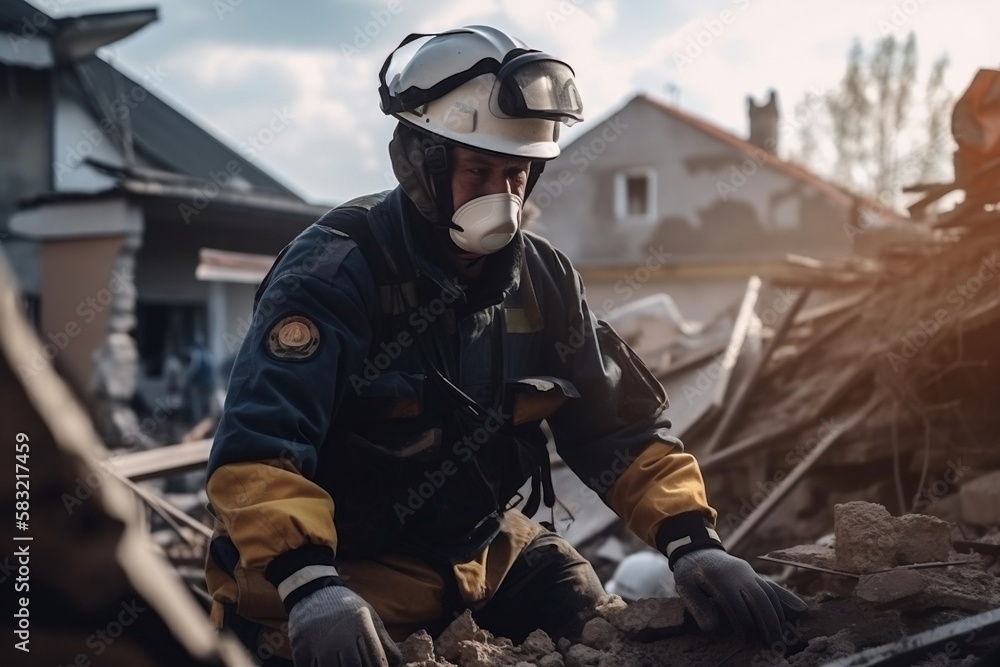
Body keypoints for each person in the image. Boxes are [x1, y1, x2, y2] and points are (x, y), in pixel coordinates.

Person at [205, 25, 807, 667]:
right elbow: (260, 455)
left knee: (573, 591)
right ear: (420, 165)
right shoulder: (333, 275)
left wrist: (694, 543)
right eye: (479, 171)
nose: (503, 196)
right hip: (343, 568)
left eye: (517, 174)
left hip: (475, 554)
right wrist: (308, 586)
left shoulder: (543, 281)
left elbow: (621, 430)